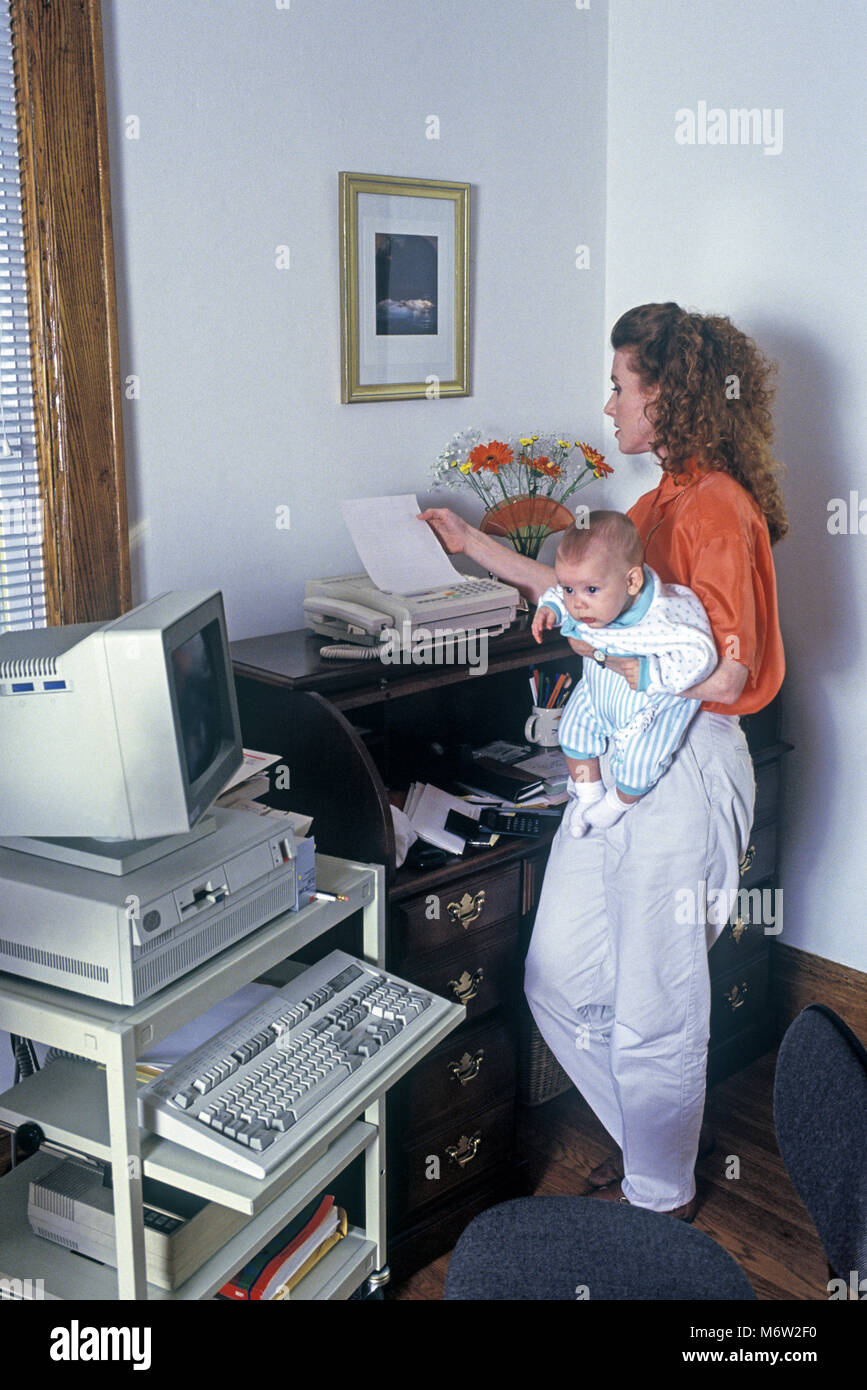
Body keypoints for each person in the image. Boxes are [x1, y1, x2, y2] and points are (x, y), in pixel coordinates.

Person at [419, 301, 786, 1219]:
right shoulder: (652, 505)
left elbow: (725, 669)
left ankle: (659, 1193)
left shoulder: (718, 508)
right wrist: (474, 548)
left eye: (620, 384)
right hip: (626, 763)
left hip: (687, 765)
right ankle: (651, 1145)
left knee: (654, 998)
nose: (610, 401)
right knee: (558, 978)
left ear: (667, 396)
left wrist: (623, 666)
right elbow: (586, 593)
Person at [532, 510, 717, 835]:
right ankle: (588, 799)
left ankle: (615, 805)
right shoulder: (583, 600)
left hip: (648, 707)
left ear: (632, 581)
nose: (578, 605)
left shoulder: (664, 616)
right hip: (598, 690)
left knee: (640, 766)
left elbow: (700, 655)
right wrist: (550, 608)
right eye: (569, 590)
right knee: (572, 734)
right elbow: (558, 594)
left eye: (591, 590)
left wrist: (652, 671)